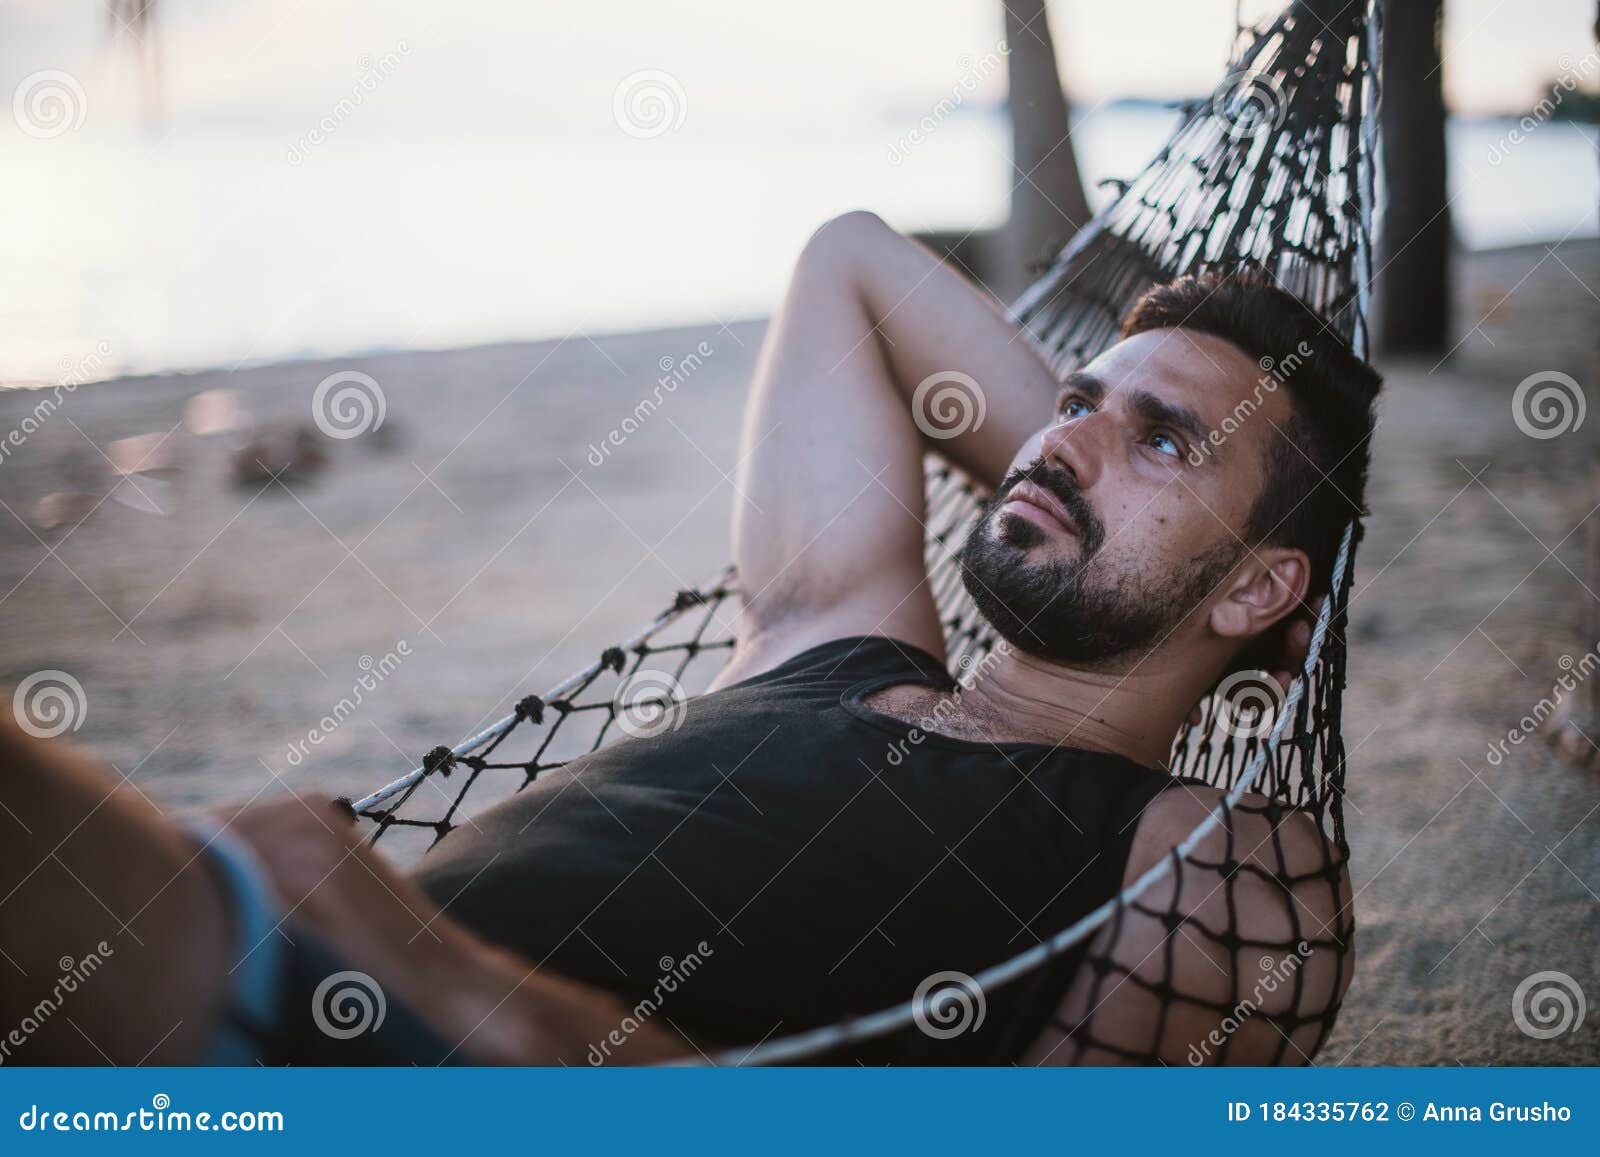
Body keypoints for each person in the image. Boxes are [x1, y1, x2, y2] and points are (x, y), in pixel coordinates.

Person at [0, 213, 1374, 1066]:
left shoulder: (1205, 857)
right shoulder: (839, 635)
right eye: (1074, 397)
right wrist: (1097, 478)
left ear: (1260, 592)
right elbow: (850, 260)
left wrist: (463, 999)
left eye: (1164, 438)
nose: (1065, 432)